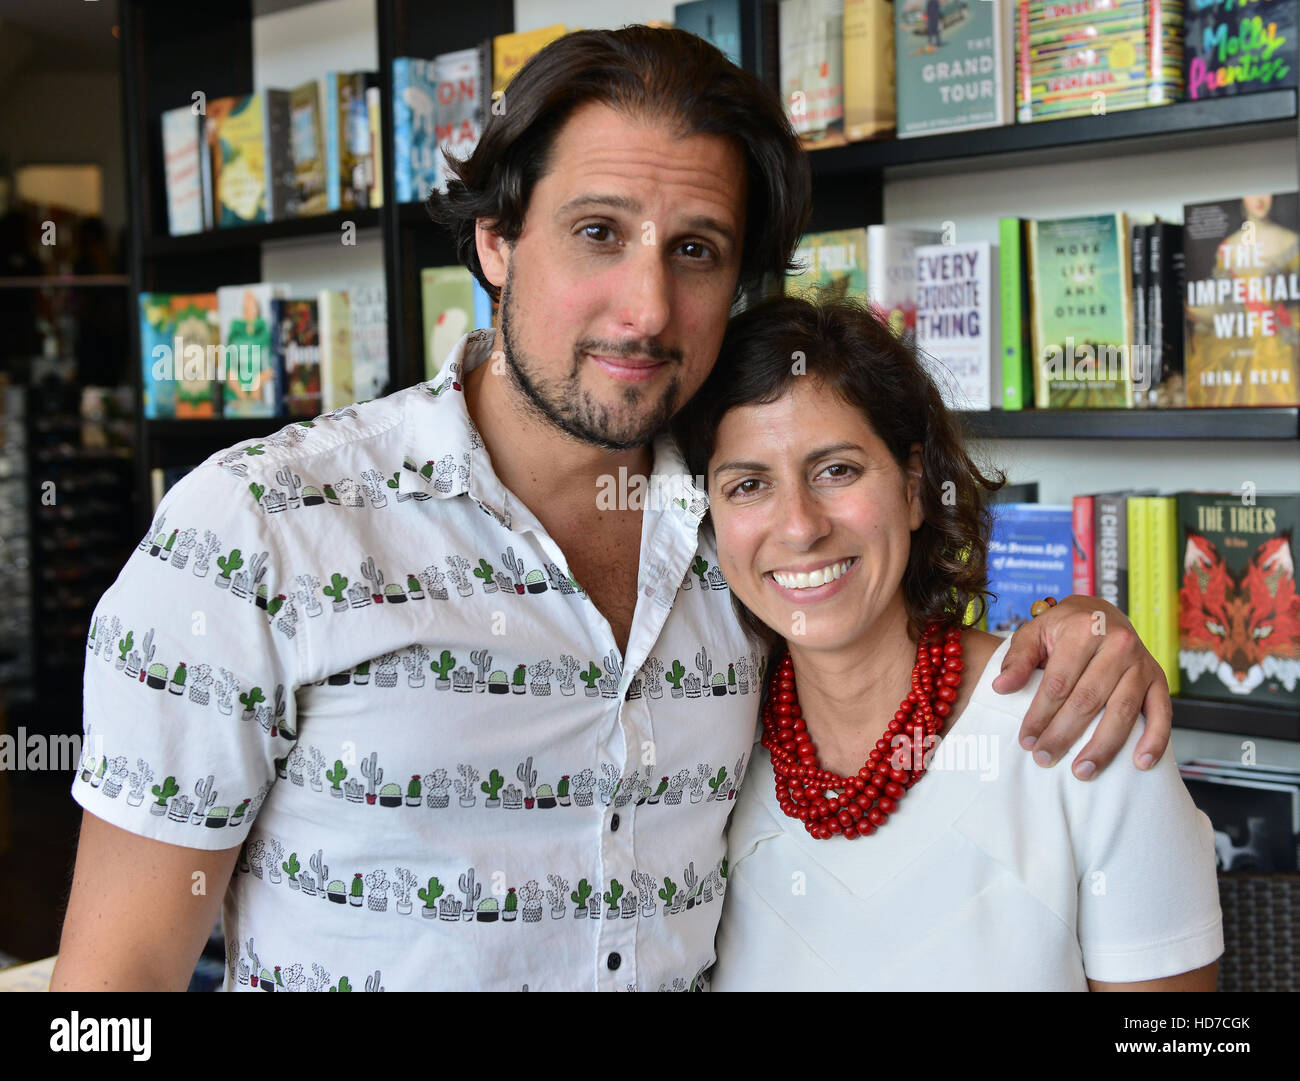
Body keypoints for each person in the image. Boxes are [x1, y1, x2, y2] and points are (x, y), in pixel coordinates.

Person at [55, 26, 1175, 993]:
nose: (645, 306)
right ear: (495, 241)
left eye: (694, 251)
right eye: (597, 232)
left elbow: (891, 659)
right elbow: (112, 988)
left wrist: (1084, 629)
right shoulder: (259, 531)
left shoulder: (742, 537)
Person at [670, 294, 1223, 990]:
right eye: (748, 484)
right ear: (711, 521)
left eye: (836, 469)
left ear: (912, 488)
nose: (800, 526)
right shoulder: (701, 758)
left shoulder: (1083, 717)